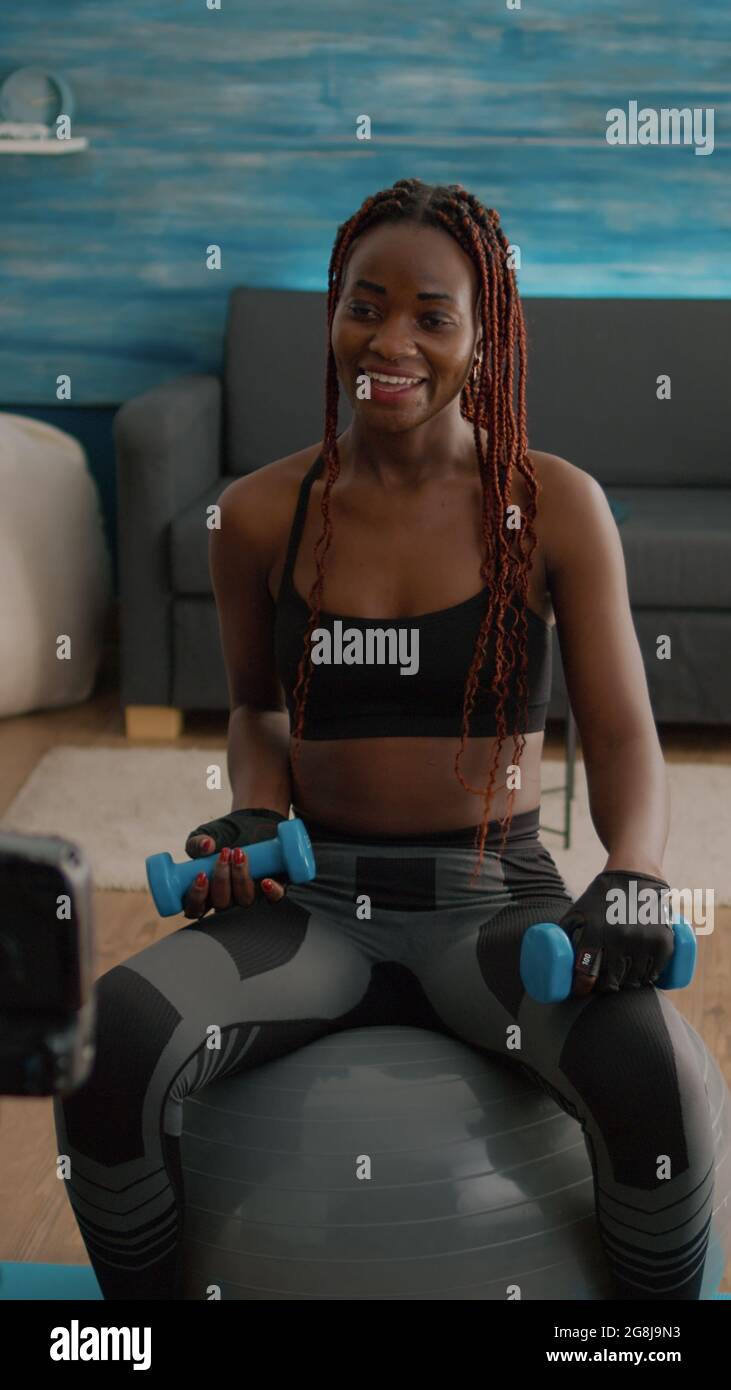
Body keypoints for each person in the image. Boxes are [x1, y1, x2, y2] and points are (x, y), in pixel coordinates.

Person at [53, 179, 714, 1301]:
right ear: (332, 312)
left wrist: (635, 873)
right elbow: (258, 710)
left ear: (483, 334)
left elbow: (617, 734)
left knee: (653, 1081)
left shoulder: (550, 504)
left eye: (430, 315)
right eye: (364, 305)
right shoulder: (260, 515)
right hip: (313, 910)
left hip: (491, 905)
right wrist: (255, 810)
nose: (389, 341)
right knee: (107, 1045)